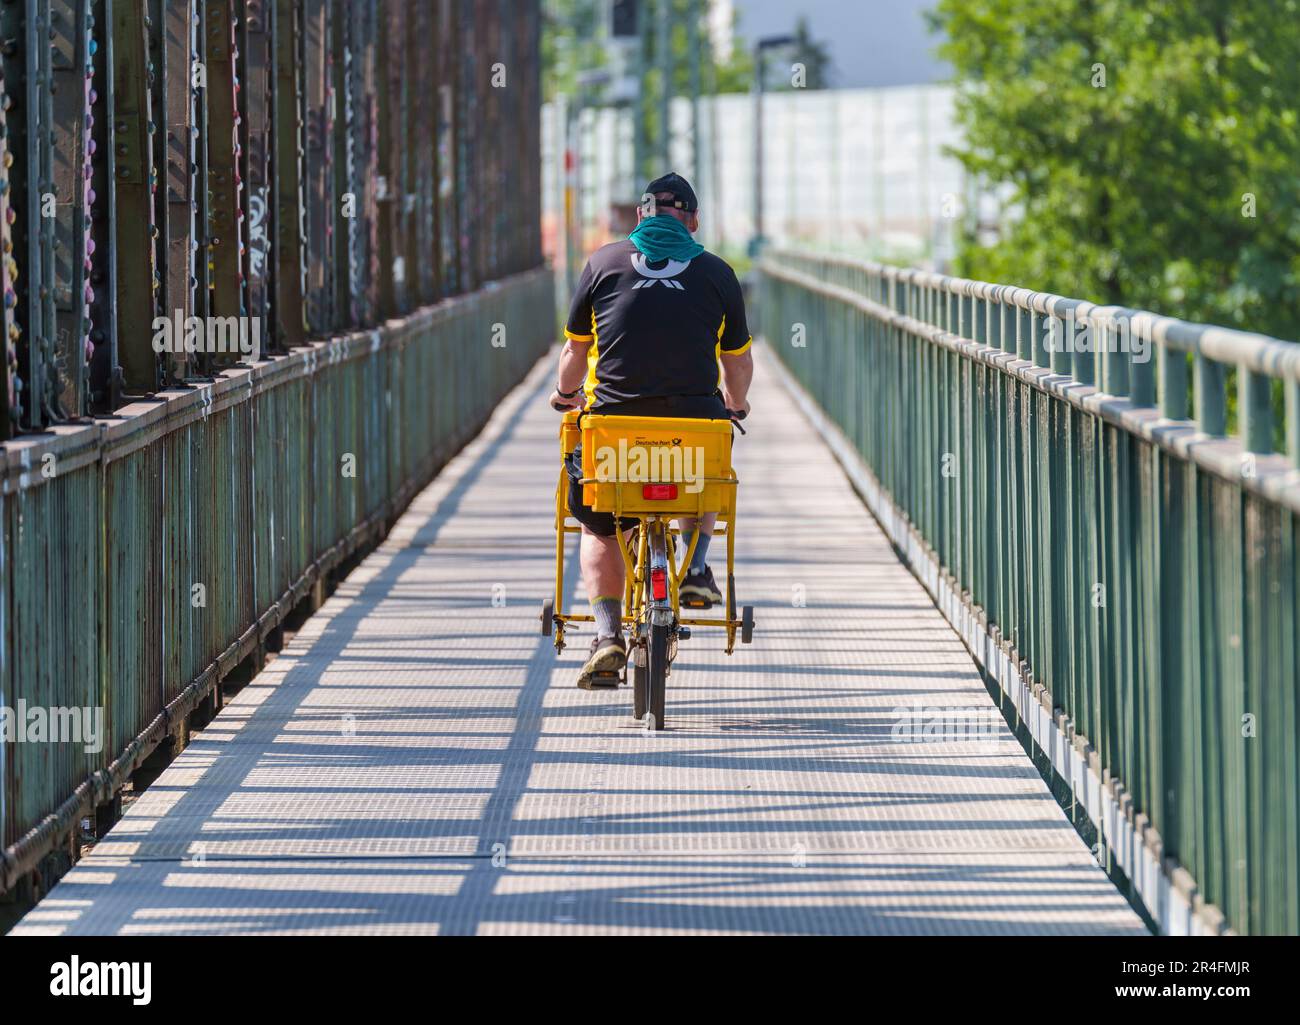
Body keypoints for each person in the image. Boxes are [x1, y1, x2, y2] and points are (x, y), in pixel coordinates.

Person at [550, 172, 754, 688]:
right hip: (693, 424)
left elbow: (576, 351)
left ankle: (606, 635)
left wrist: (567, 395)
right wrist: (736, 402)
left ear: (641, 215)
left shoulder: (602, 263)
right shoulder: (717, 273)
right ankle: (698, 569)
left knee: (598, 523)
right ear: (693, 220)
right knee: (708, 463)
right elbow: (738, 359)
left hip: (614, 427)